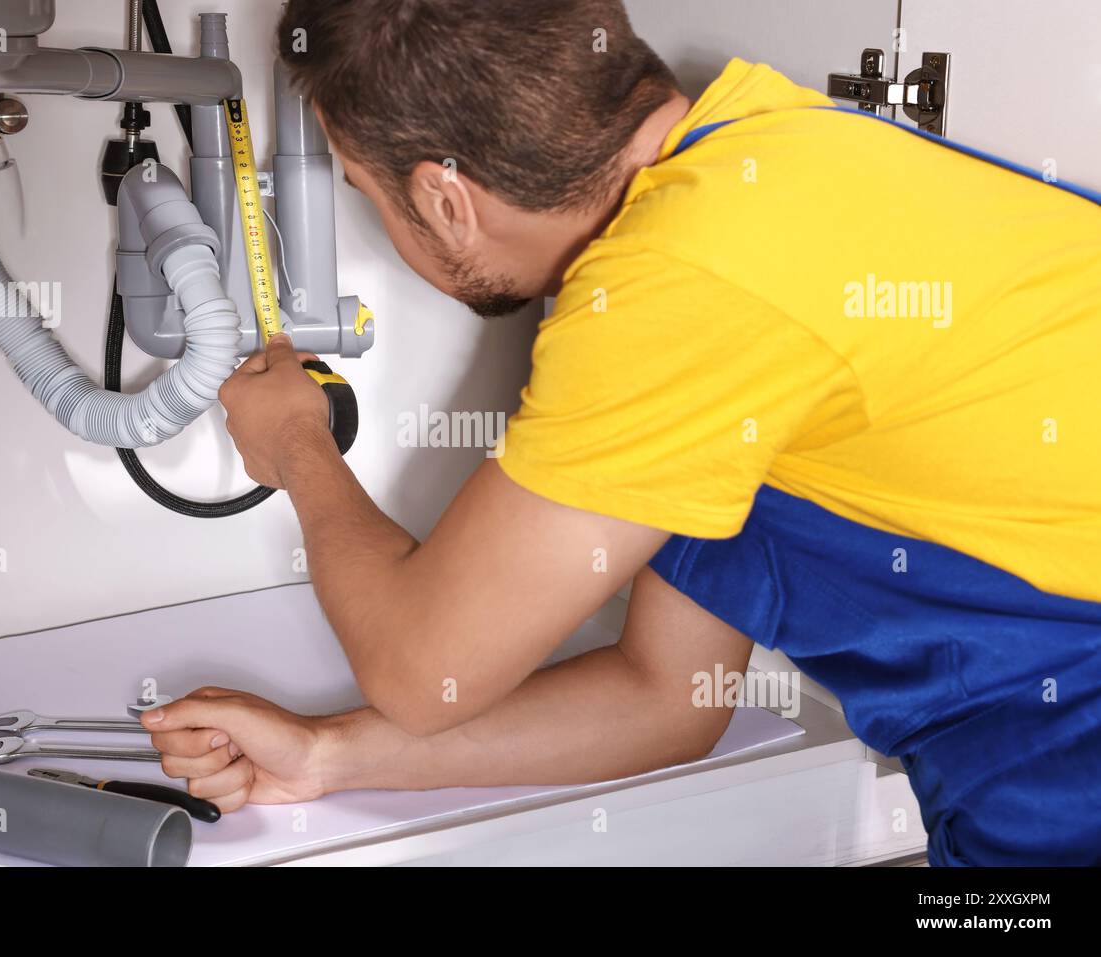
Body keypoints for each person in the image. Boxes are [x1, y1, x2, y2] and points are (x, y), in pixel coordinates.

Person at [140, 0, 1101, 865]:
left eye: (363, 190)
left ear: (444, 197)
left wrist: (298, 446)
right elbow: (665, 697)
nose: (379, 219)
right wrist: (327, 756)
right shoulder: (769, 149)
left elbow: (419, 666)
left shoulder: (671, 294)